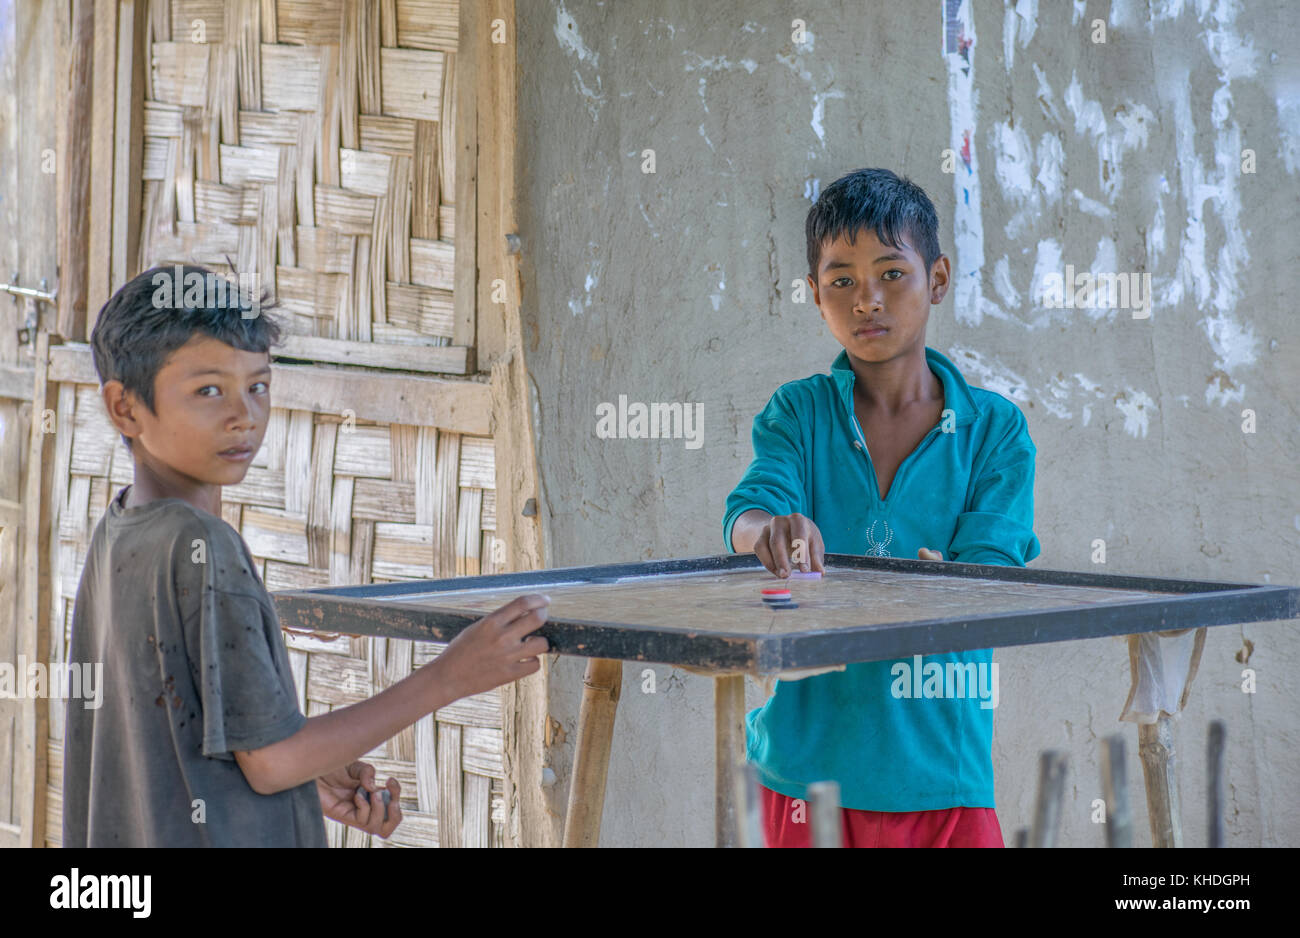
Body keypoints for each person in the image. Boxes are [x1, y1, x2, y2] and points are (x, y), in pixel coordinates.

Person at [63, 265, 550, 846]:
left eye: (259, 385)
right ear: (125, 408)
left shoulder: (120, 531)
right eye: (208, 390)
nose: (244, 414)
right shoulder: (204, 548)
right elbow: (269, 761)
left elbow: (207, 747)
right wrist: (451, 676)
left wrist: (303, 781)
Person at [723, 168, 1041, 847]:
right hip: (802, 778)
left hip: (941, 775)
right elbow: (749, 515)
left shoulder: (994, 432)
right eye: (841, 281)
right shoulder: (798, 414)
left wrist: (953, 583)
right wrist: (769, 532)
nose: (867, 299)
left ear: (940, 280)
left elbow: (994, 577)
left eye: (892, 274)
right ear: (815, 296)